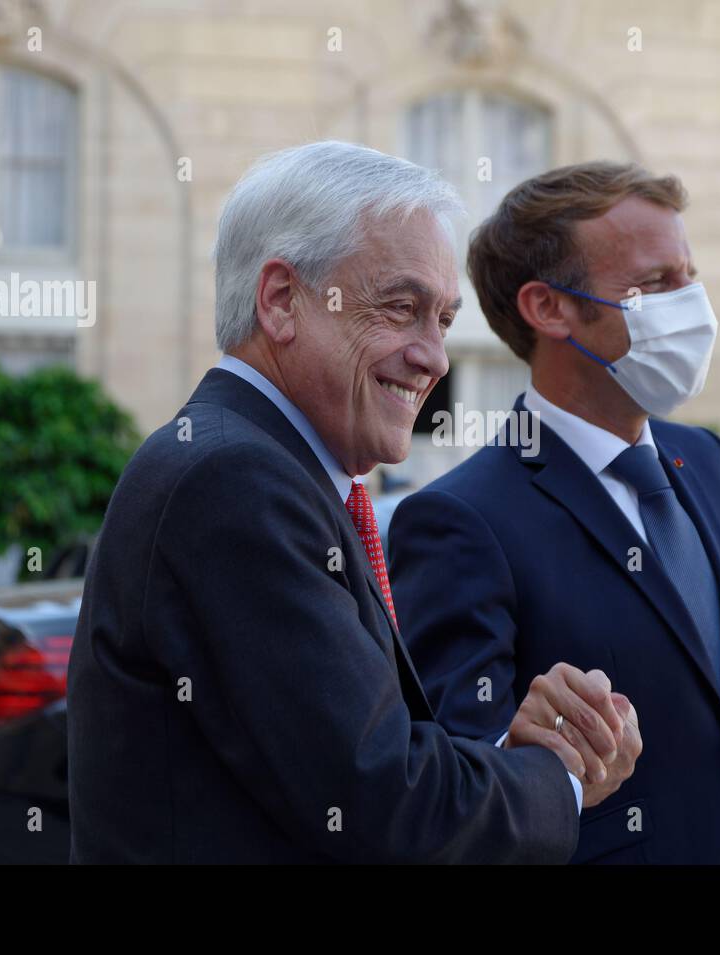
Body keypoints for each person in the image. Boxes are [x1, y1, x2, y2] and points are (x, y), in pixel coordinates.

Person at [67, 142, 640, 863]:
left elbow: (353, 769)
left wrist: (511, 750)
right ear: (280, 300)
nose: (435, 357)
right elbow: (383, 808)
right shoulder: (236, 481)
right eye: (402, 308)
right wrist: (558, 773)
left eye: (444, 319)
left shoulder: (262, 466)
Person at [389, 161, 720, 864]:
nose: (691, 304)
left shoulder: (706, 460)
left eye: (689, 275)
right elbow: (463, 784)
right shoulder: (459, 520)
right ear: (548, 308)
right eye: (653, 284)